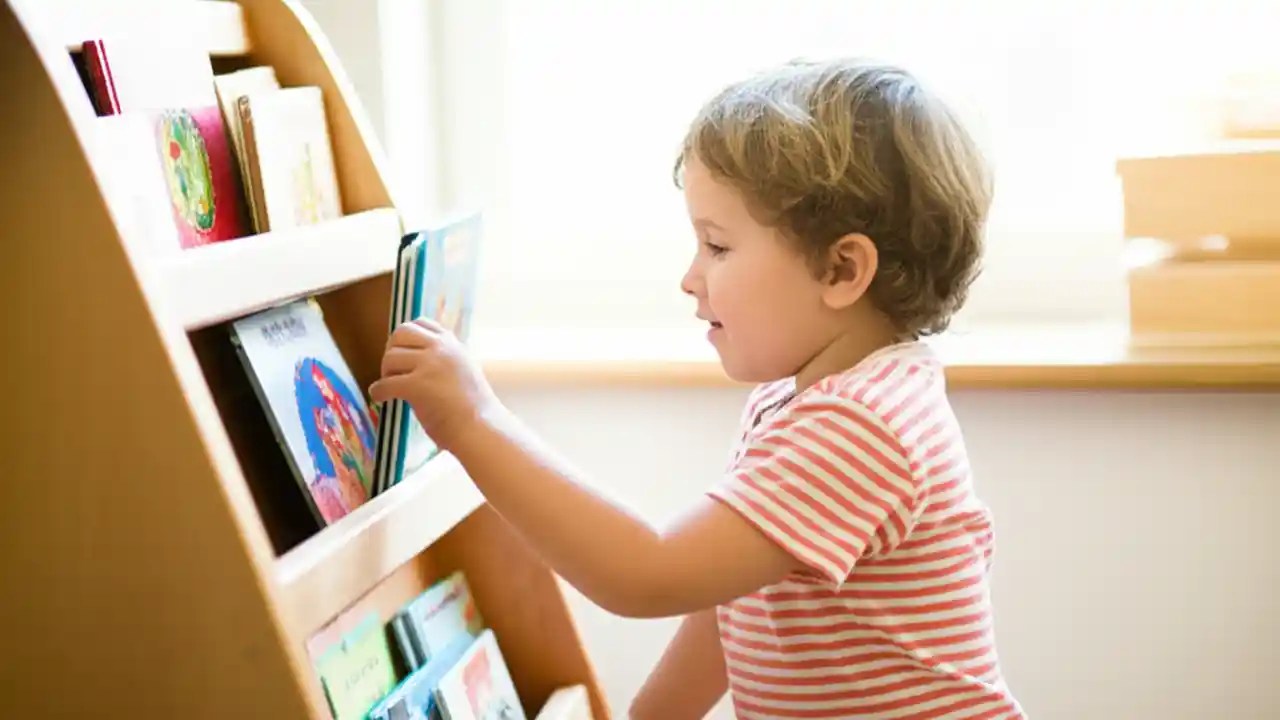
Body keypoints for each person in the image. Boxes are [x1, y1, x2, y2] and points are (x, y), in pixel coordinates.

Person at [370, 56, 1026, 719]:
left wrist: (476, 420)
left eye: (716, 246)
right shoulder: (798, 402)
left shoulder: (864, 424)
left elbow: (649, 574)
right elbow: (733, 600)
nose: (691, 277)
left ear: (841, 268)